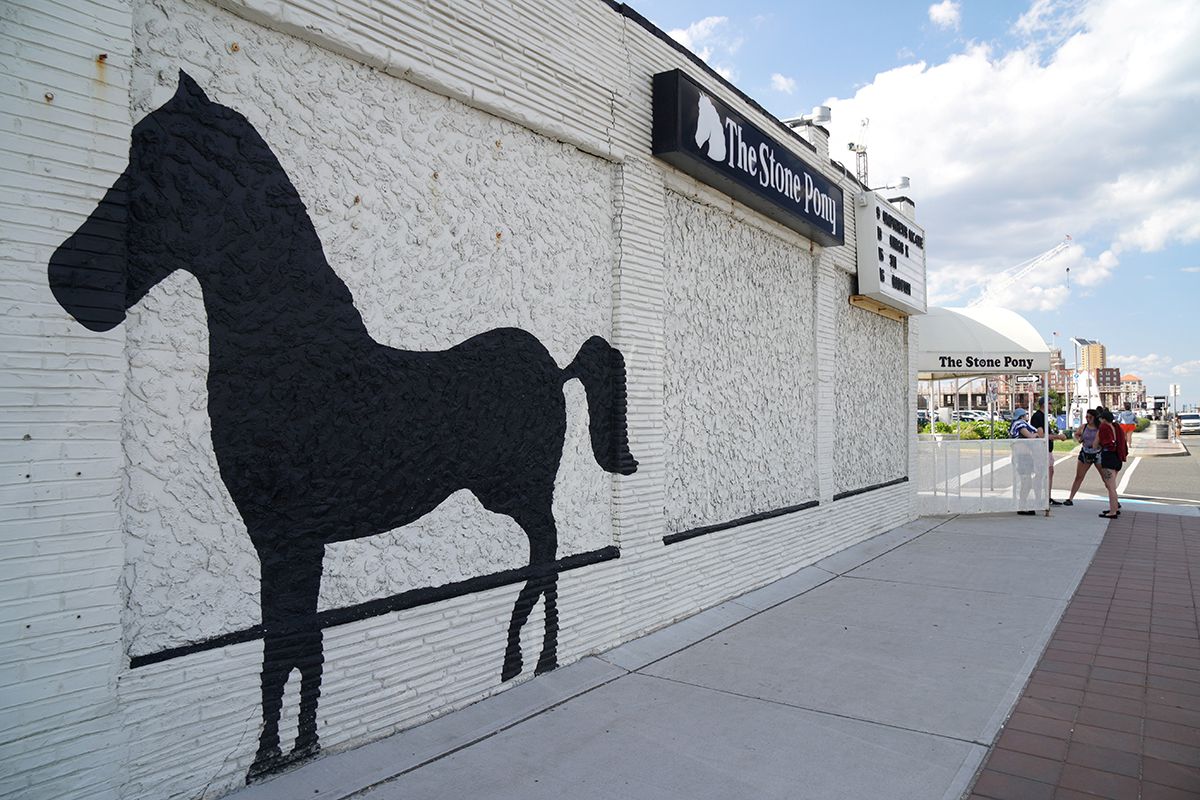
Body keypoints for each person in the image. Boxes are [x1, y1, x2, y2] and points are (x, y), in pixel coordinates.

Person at [1065, 408, 1110, 508]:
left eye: (1090, 417)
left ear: (1095, 418)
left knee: (1105, 477)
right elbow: (1076, 434)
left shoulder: (1100, 428)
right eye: (1086, 417)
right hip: (1085, 453)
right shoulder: (1084, 427)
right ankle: (1070, 498)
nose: (1088, 419)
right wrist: (1079, 439)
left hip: (1097, 453)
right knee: (1079, 476)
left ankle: (1114, 499)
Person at [1031, 398, 1067, 505]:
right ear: (1044, 405)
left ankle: (1048, 497)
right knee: (1041, 475)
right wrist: (1058, 437)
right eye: (1050, 404)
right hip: (1041, 450)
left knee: (1049, 473)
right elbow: (1041, 435)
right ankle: (1039, 498)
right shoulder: (1037, 417)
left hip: (1047, 450)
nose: (1052, 406)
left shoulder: (1044, 416)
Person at [1009, 408, 1041, 515]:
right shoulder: (1020, 425)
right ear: (1022, 416)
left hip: (1024, 456)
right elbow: (1030, 436)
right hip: (1022, 457)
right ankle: (1022, 506)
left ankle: (1023, 505)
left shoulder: (1016, 424)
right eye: (1026, 415)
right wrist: (1037, 435)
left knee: (1027, 483)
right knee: (1026, 483)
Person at [1095, 407, 1122, 518]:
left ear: (1104, 419)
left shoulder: (1104, 427)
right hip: (1117, 457)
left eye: (1100, 419)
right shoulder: (1116, 427)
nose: (1099, 421)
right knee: (1113, 486)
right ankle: (1114, 508)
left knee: (1111, 487)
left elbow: (1094, 445)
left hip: (1108, 457)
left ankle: (1113, 512)